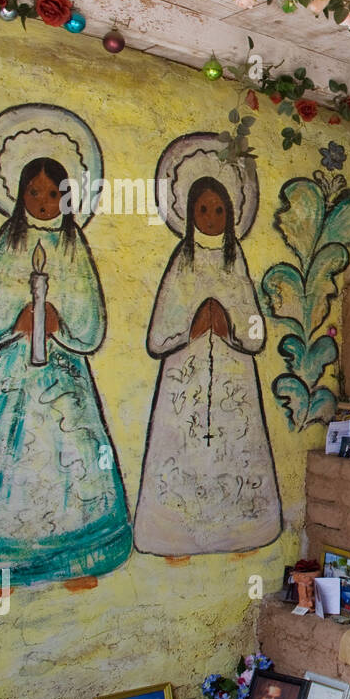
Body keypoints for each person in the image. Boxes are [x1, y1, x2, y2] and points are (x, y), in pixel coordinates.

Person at [0, 149, 132, 584]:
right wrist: (14, 321)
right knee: (4, 466)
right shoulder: (9, 241)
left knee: (70, 461)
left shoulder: (74, 245)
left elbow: (92, 318)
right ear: (20, 194)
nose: (44, 201)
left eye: (53, 193)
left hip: (63, 374)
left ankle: (77, 560)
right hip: (9, 378)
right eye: (34, 191)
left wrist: (62, 322)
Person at [134, 163, 283, 555]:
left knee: (233, 459)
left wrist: (230, 326)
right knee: (181, 458)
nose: (212, 219)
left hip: (234, 382)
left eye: (219, 211)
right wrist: (192, 325)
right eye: (203, 210)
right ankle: (173, 540)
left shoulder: (237, 264)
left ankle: (244, 535)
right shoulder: (181, 263)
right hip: (185, 381)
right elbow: (157, 335)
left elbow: (255, 330)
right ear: (189, 214)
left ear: (233, 216)